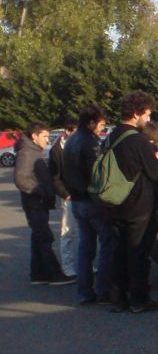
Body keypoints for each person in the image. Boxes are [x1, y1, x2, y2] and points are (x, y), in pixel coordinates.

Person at [107, 90, 158, 313]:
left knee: (119, 252)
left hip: (115, 201)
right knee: (138, 253)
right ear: (136, 113)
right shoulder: (138, 140)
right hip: (139, 204)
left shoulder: (112, 136)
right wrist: (156, 160)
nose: (148, 119)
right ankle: (139, 299)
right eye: (147, 114)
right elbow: (154, 173)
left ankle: (118, 298)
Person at [63, 104, 116, 304]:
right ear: (91, 122)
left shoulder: (71, 140)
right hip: (91, 200)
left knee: (85, 246)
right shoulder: (89, 142)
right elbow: (97, 174)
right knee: (107, 243)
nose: (103, 127)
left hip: (76, 200)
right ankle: (104, 290)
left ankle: (84, 291)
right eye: (101, 123)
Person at [14, 122, 74, 285]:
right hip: (35, 203)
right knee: (44, 237)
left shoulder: (34, 151)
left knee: (38, 237)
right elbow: (21, 179)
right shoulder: (27, 153)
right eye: (45, 136)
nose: (48, 140)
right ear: (34, 136)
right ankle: (54, 274)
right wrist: (40, 192)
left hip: (39, 202)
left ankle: (38, 274)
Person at [48, 116, 78, 277]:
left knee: (84, 233)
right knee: (67, 231)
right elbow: (54, 177)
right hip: (68, 197)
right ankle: (67, 266)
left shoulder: (77, 145)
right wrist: (65, 195)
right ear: (67, 131)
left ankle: (82, 264)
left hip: (82, 195)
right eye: (75, 132)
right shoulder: (56, 150)